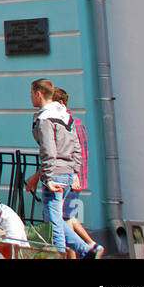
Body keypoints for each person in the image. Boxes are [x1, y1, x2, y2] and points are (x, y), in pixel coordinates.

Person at [28, 78, 96, 258]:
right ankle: (87, 250)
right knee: (55, 218)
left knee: (54, 222)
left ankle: (65, 253)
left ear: (39, 94)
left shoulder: (45, 118)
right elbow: (76, 147)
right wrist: (74, 172)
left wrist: (48, 177)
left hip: (56, 173)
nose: (31, 97)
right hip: (66, 172)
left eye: (31, 93)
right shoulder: (66, 116)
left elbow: (49, 150)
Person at [51, 87, 102, 257]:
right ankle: (91, 246)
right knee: (67, 217)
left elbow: (69, 153)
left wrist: (74, 175)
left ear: (61, 103)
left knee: (63, 218)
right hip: (74, 178)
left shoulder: (68, 124)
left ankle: (89, 248)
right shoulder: (76, 123)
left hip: (70, 179)